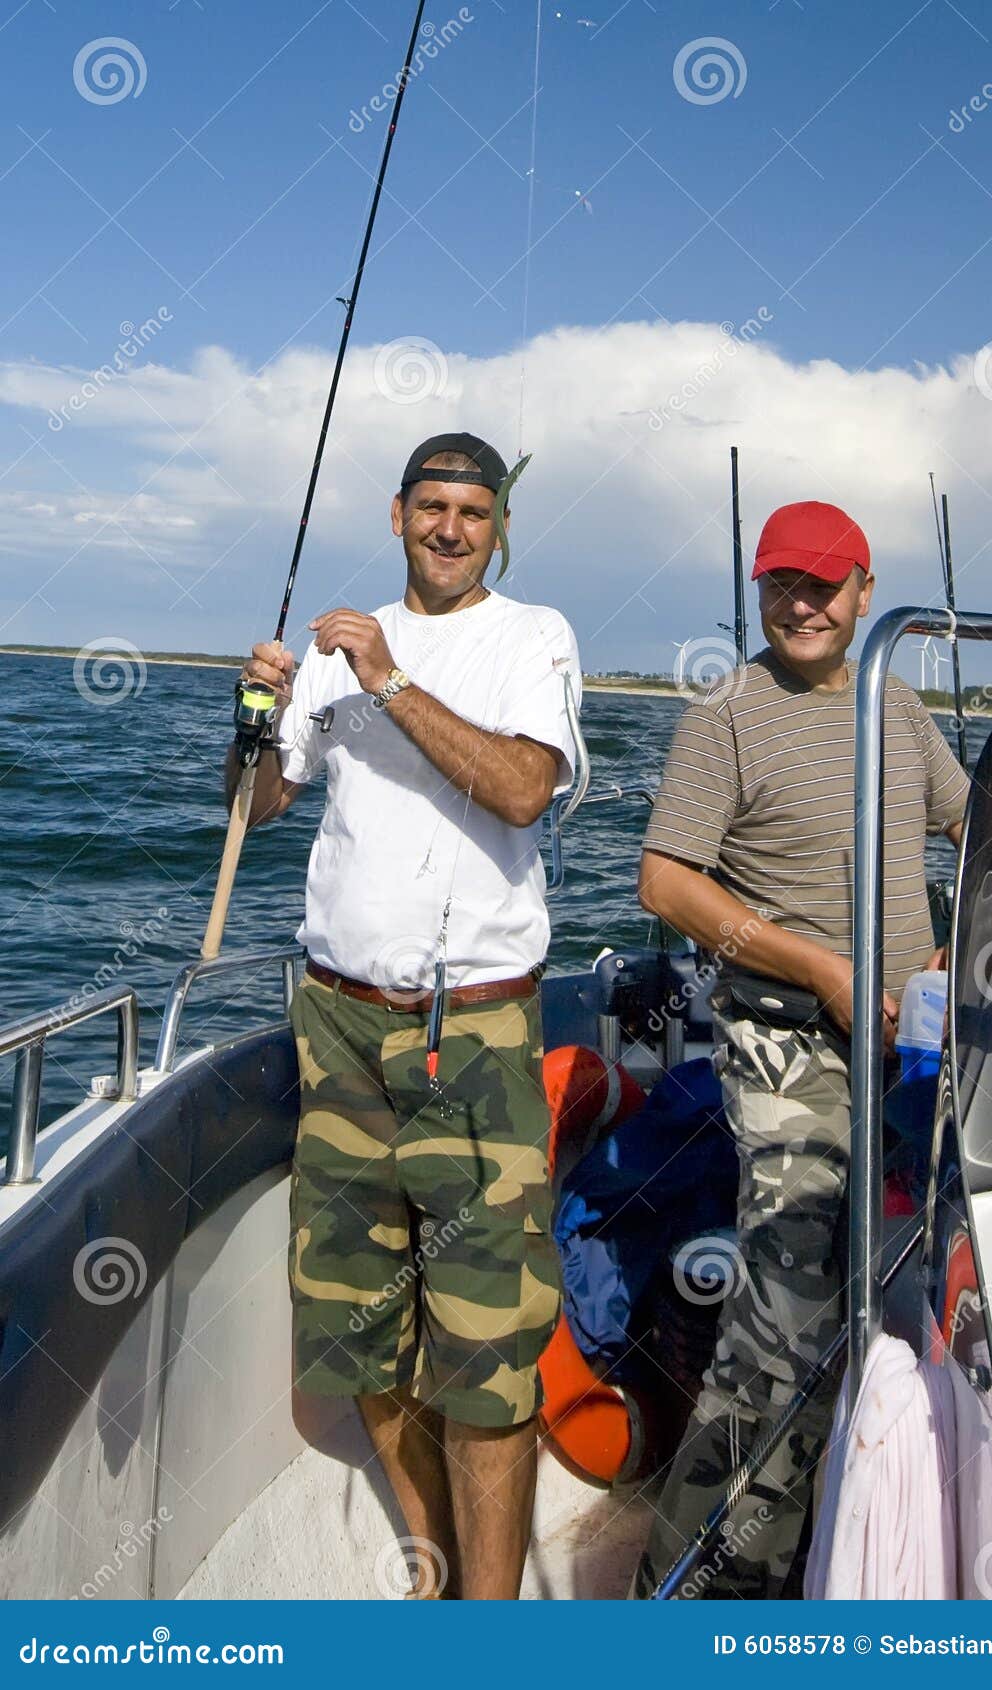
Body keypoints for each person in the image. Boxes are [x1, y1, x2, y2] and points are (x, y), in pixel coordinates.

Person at [229, 432, 581, 1601]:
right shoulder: (337, 652)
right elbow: (259, 805)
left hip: (468, 1032)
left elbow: (524, 788)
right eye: (432, 506)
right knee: (350, 1324)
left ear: (498, 527)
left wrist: (384, 678)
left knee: (487, 1348)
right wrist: (256, 716)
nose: (450, 528)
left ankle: (490, 1630)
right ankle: (436, 1576)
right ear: (397, 515)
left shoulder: (531, 637)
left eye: (473, 512)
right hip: (336, 1025)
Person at [632, 499, 968, 1598]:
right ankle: (693, 1596)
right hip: (787, 1045)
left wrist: (961, 944)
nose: (803, 604)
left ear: (866, 591)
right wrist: (825, 971)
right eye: (783, 583)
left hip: (912, 1051)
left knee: (916, 1302)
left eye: (825, 584)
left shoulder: (898, 704)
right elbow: (666, 883)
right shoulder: (725, 714)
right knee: (782, 1329)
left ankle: (844, 1556)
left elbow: (981, 831)